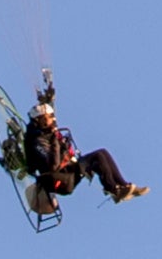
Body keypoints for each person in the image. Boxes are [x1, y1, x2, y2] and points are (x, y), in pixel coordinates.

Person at [19, 72, 148, 205]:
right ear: (40, 120)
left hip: (68, 173)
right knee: (97, 156)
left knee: (102, 153)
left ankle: (124, 185)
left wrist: (49, 95)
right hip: (61, 180)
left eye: (52, 116)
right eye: (49, 118)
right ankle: (113, 189)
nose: (53, 120)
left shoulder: (45, 131)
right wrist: (54, 141)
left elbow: (50, 117)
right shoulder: (37, 142)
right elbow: (53, 166)